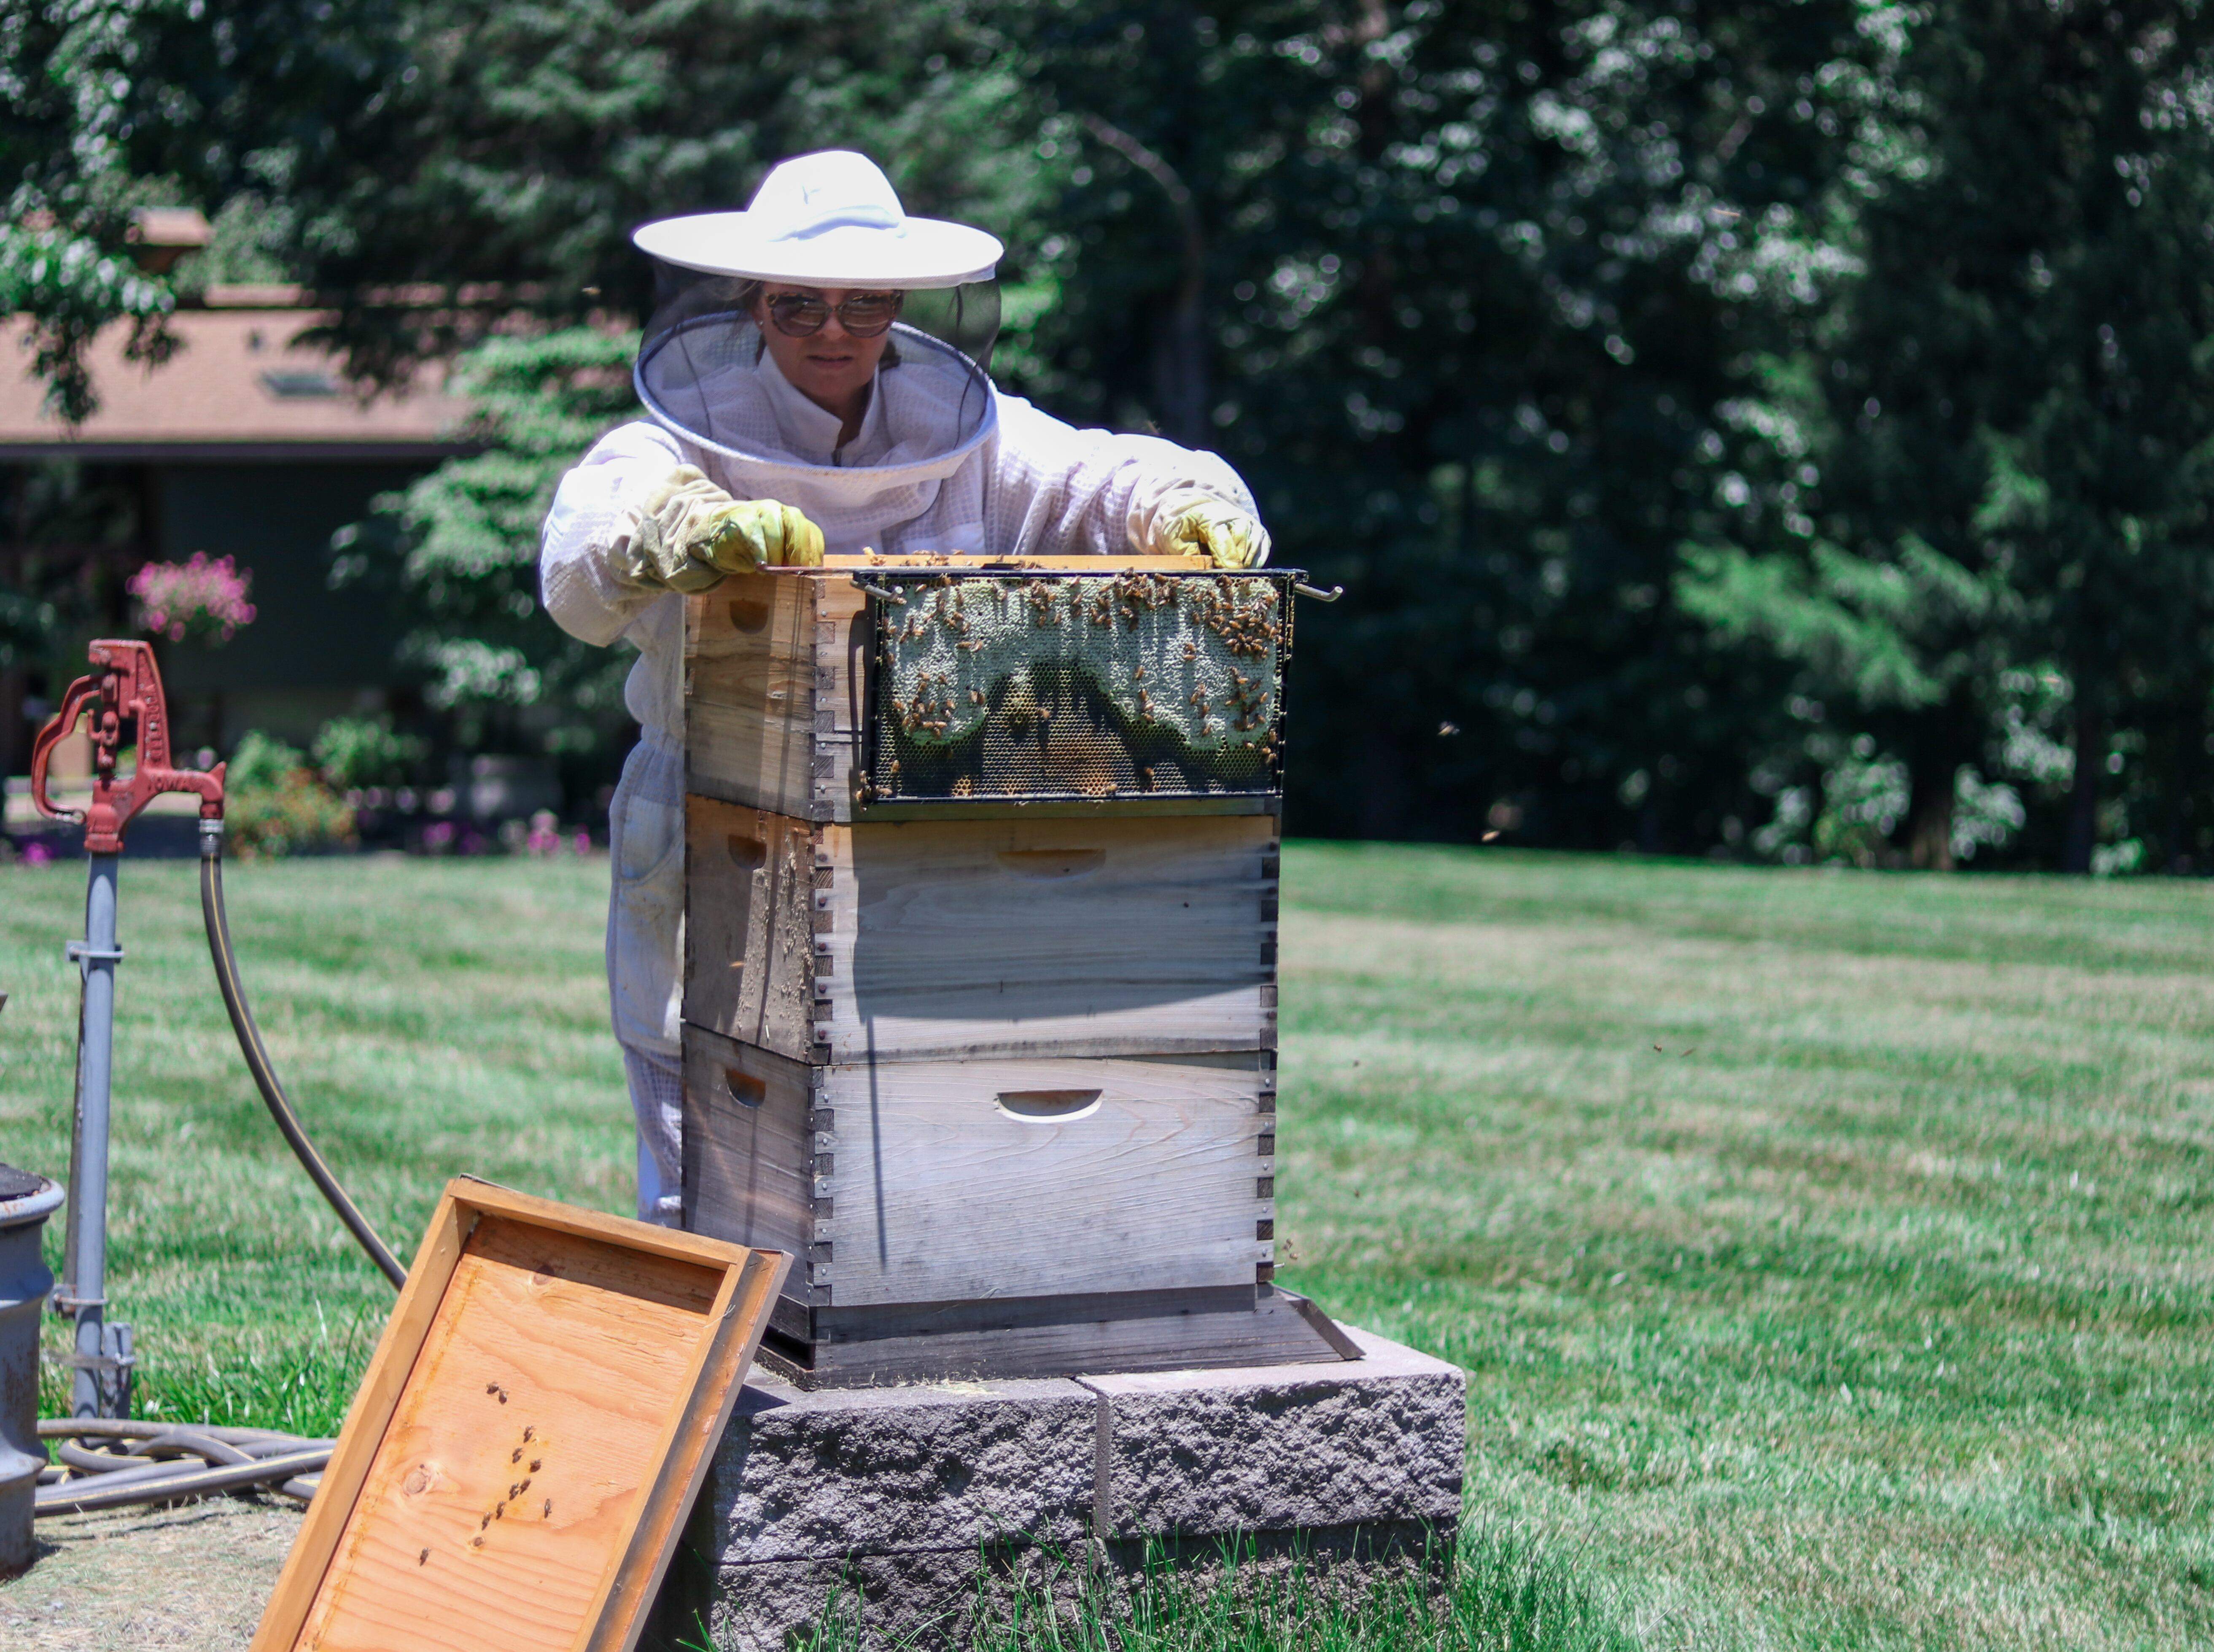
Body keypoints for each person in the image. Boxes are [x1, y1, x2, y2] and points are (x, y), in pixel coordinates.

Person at [539, 150, 1272, 1224]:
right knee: (707, 1135)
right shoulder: (679, 438)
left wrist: (1190, 499)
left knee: (903, 1163)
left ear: (899, 305)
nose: (833, 332)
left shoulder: (966, 427)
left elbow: (1107, 476)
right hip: (713, 807)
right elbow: (582, 556)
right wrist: (670, 531)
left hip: (918, 828)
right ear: (753, 303)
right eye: (800, 306)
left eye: (864, 305)